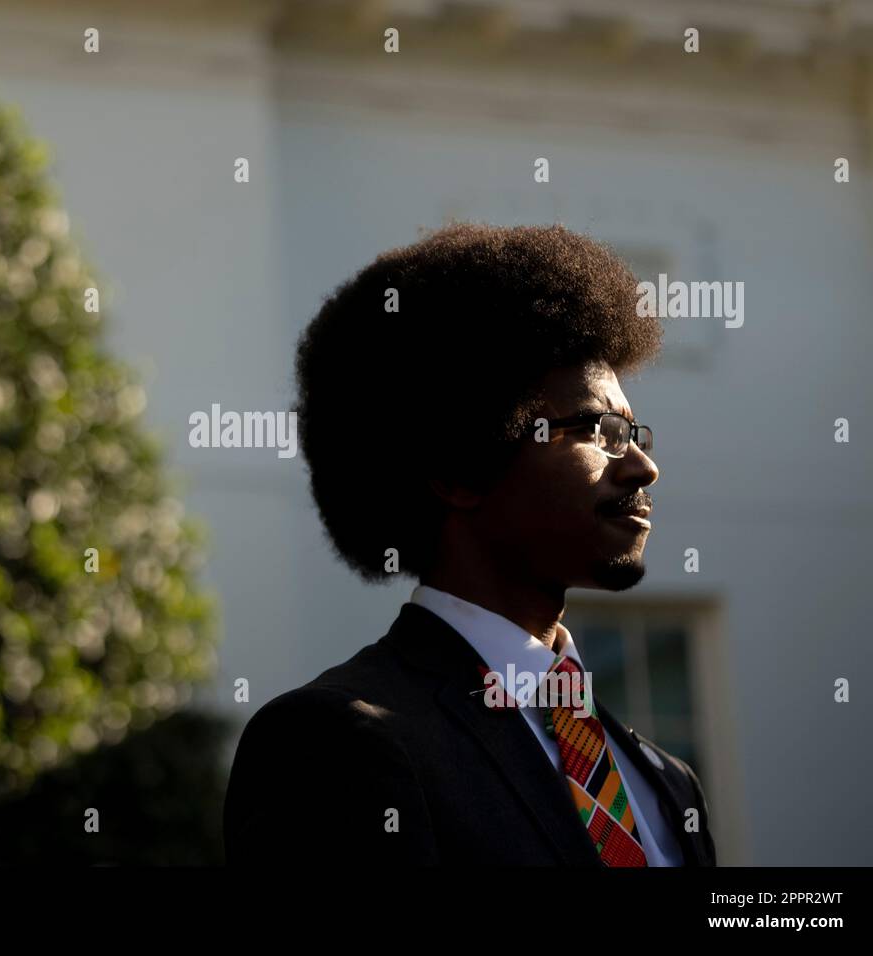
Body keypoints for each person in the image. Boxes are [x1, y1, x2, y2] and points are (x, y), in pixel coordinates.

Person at [223, 222, 716, 865]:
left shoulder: (666, 781)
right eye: (599, 430)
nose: (642, 468)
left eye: (634, 432)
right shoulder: (335, 741)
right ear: (458, 469)